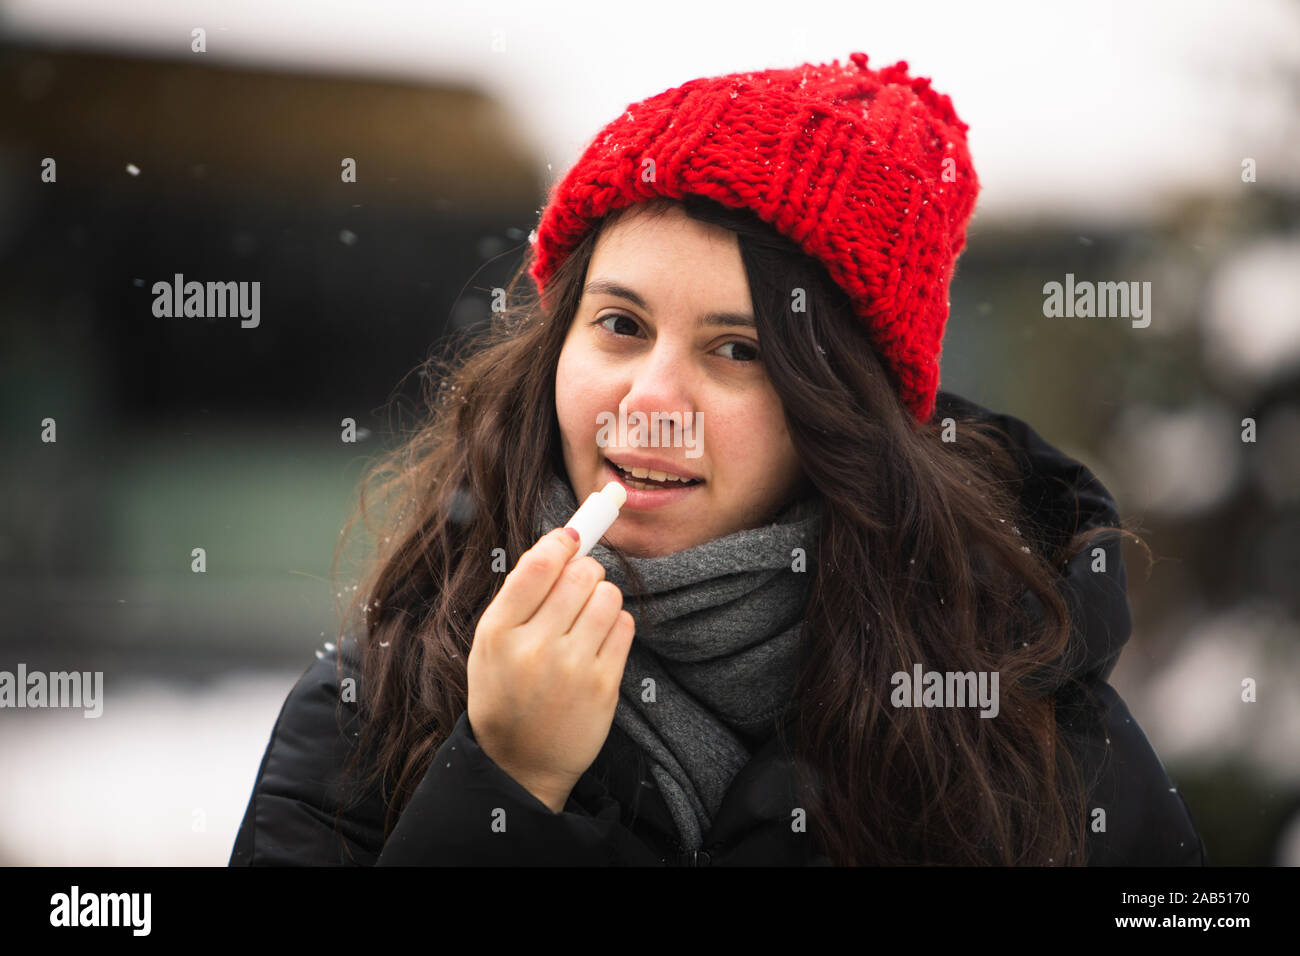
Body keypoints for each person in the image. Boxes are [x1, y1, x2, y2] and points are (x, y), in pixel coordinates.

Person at [229, 52, 1206, 866]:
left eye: (736, 349)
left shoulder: (1022, 721)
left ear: (843, 413)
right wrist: (503, 779)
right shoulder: (385, 696)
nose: (649, 400)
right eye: (619, 323)